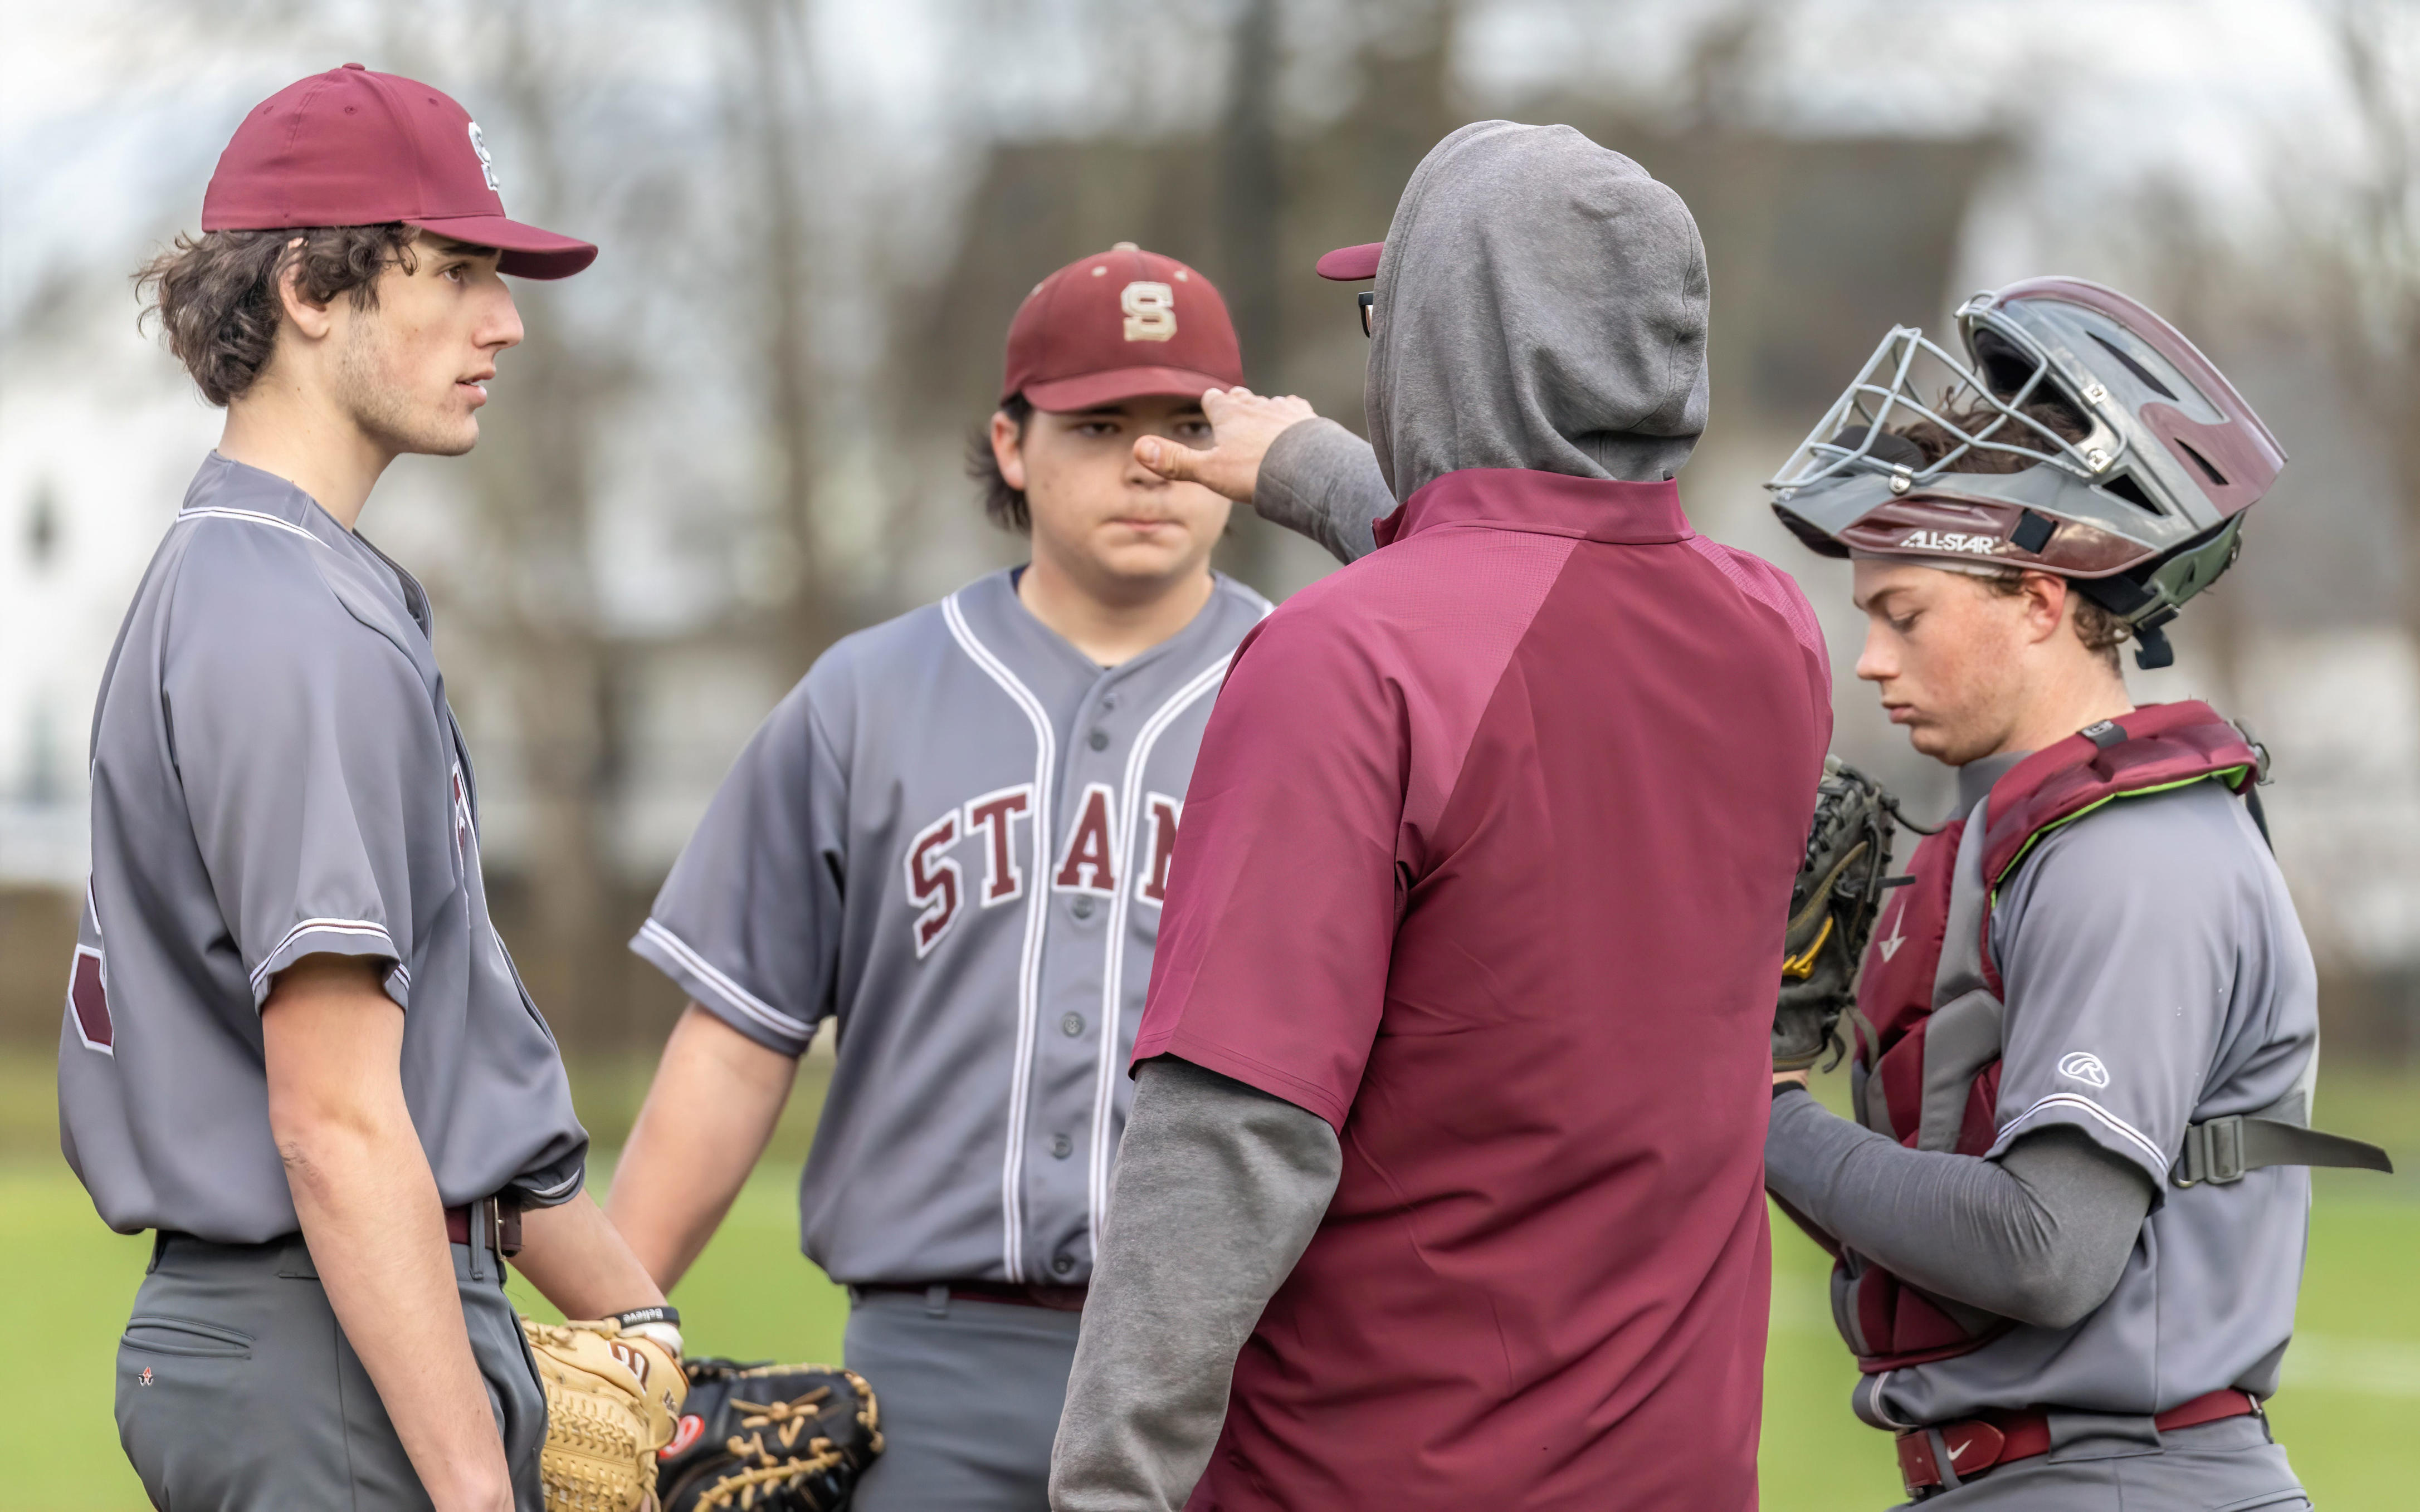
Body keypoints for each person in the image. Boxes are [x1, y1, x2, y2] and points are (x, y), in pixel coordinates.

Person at [1049, 120, 1834, 1512]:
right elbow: (1535, 575)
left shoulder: (1343, 656)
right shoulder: (1776, 637)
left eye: (1387, 313)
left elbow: (1232, 1131)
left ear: (1444, 342)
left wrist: (1106, 1489)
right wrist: (1320, 474)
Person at [607, 243, 1333, 1510]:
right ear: (1011, 443)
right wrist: (615, 1329)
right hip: (932, 1366)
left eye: (1187, 423)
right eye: (1100, 423)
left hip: (1238, 1371)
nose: (1151, 462)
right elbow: (735, 1042)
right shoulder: (867, 696)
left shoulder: (1330, 696)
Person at [64, 66, 678, 1512]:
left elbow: (451, 1086)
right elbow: (336, 1119)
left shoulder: (290, 583)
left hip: (329, 1329)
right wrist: (474, 1484)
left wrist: (642, 1328)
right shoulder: (286, 618)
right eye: (456, 270)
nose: (505, 321)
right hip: (323, 1341)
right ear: (309, 290)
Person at [1757, 278, 2389, 1508]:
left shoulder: (2129, 857)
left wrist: (1748, 1108)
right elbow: (1936, 1240)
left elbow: (2044, 1249)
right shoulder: (2019, 837)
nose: (1872, 660)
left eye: (1903, 613)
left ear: (2040, 600)